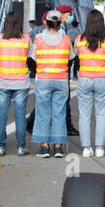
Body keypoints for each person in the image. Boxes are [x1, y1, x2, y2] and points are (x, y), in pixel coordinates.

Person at [30, 9, 72, 159]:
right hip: (60, 79)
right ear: (60, 23)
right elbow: (70, 57)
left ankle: (44, 147)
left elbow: (34, 58)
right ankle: (58, 146)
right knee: (59, 113)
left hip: (43, 79)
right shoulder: (66, 39)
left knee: (43, 113)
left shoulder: (38, 39)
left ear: (46, 22)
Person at [0, 9, 31, 156]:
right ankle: (21, 147)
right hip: (21, 81)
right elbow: (29, 58)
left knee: (1, 114)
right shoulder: (26, 39)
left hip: (3, 81)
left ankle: (1, 147)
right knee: (20, 115)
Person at [76, 8, 105, 158]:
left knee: (84, 114)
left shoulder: (79, 39)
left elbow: (78, 56)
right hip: (102, 78)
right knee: (102, 115)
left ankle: (86, 148)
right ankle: (99, 148)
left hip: (84, 78)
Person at [57, 5, 81, 137]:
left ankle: (30, 123)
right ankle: (67, 126)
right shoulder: (60, 31)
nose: (70, 17)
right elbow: (69, 54)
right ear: (61, 14)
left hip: (52, 70)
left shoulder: (62, 28)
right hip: (61, 70)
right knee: (63, 99)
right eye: (68, 15)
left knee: (49, 100)